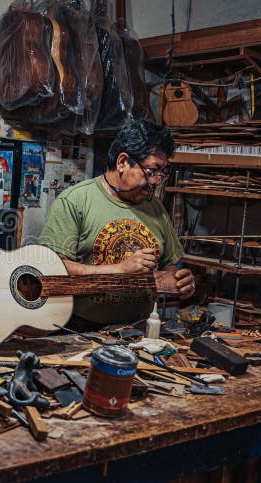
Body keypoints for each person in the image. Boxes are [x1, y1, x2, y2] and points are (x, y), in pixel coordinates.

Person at [38, 118, 195, 330]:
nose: (157, 181)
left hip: (140, 329)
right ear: (122, 162)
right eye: (151, 171)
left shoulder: (155, 207)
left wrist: (179, 281)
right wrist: (120, 269)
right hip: (83, 328)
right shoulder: (76, 200)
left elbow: (169, 263)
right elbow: (52, 269)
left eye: (162, 173)